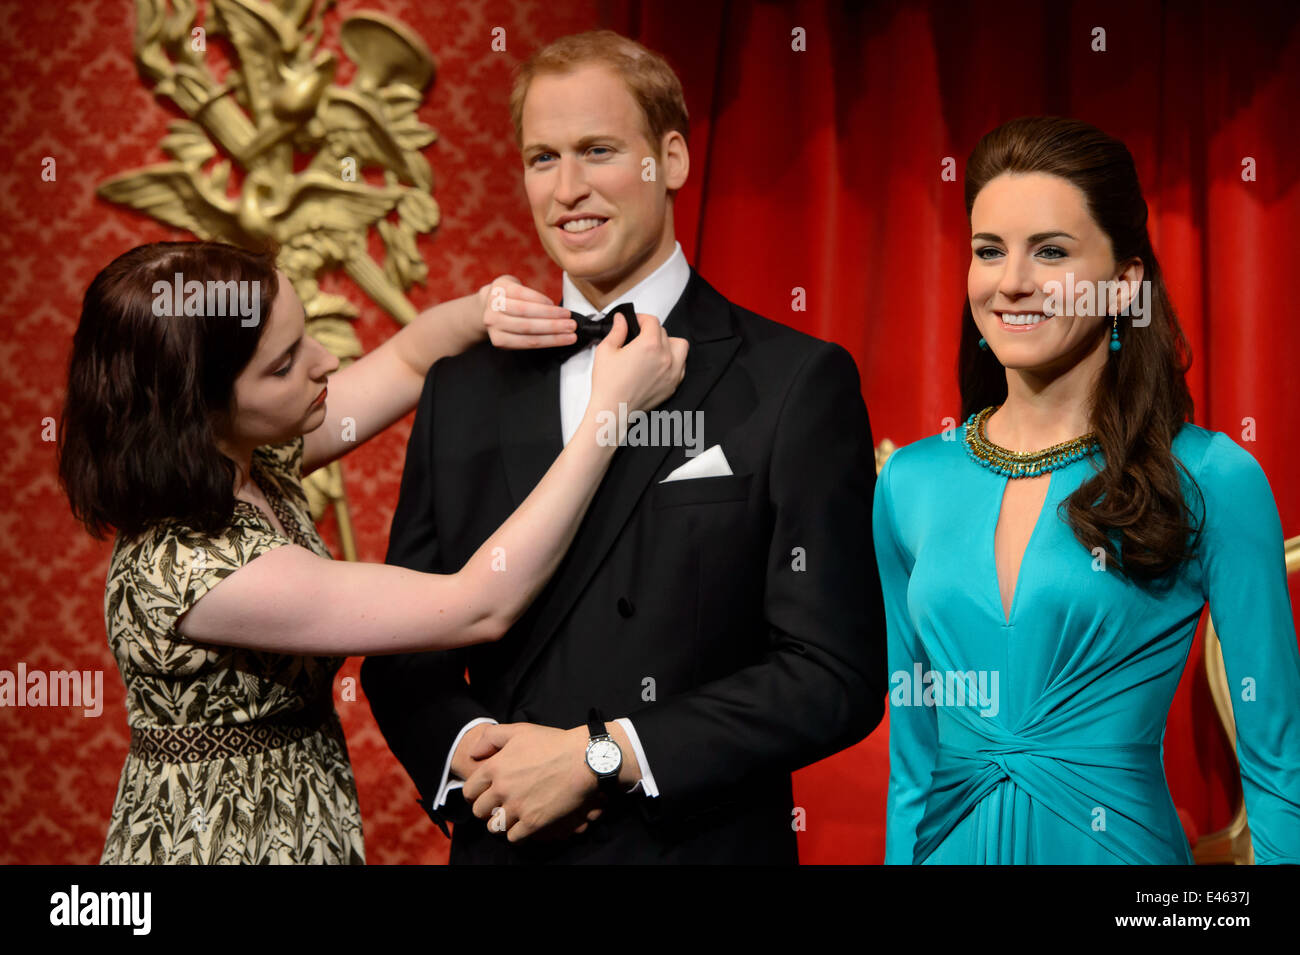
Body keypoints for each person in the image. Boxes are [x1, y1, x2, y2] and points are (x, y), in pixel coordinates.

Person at [361, 30, 887, 864]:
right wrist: (476, 763)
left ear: (671, 158)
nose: (567, 189)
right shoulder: (461, 388)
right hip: (508, 845)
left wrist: (604, 756)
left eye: (598, 151)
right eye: (542, 158)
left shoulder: (795, 381)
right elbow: (404, 656)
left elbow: (834, 675)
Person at [58, 239, 686, 864]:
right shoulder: (202, 567)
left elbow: (411, 362)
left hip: (302, 815)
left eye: (303, 335)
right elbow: (476, 604)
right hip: (224, 842)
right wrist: (610, 412)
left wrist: (483, 309)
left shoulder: (246, 460)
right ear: (200, 409)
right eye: (281, 366)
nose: (324, 361)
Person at [877, 116, 1300, 864]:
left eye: (1051, 251)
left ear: (1126, 281)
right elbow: (914, 763)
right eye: (988, 251)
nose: (1012, 282)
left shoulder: (1210, 477)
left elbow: (1278, 766)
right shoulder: (909, 482)